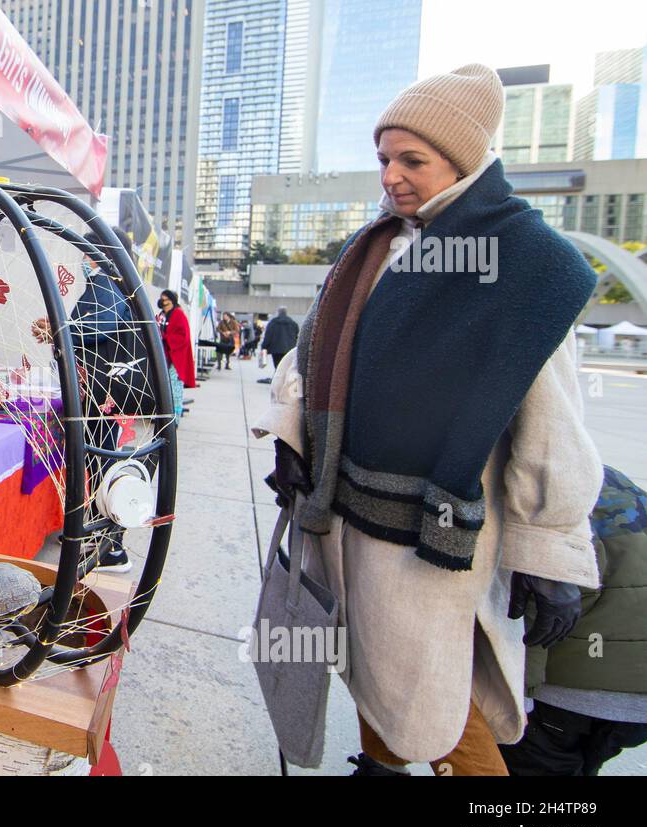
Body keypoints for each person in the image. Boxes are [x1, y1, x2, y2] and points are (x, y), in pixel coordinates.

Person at [252, 64, 602, 776]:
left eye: (413, 160)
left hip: (428, 544)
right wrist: (294, 436)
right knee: (372, 668)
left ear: (464, 160)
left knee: (434, 703)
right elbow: (314, 349)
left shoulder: (525, 263)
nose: (391, 176)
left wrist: (550, 545)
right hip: (348, 517)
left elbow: (551, 419)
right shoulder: (375, 246)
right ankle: (381, 765)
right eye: (385, 159)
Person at [499, 465, 647, 776]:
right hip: (636, 708)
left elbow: (540, 608)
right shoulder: (615, 481)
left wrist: (518, 703)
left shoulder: (545, 497)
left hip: (568, 699)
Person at [31, 227, 143, 573]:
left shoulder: (105, 285)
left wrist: (57, 328)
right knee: (96, 465)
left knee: (102, 465)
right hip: (103, 396)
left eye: (84, 250)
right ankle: (91, 532)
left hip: (101, 398)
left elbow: (96, 327)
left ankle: (112, 549)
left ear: (96, 253)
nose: (80, 258)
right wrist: (58, 328)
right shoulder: (115, 284)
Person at [157, 289, 196, 423]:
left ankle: (175, 419)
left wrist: (166, 337)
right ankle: (165, 417)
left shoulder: (178, 314)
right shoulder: (163, 314)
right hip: (165, 357)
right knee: (165, 389)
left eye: (165, 299)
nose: (162, 302)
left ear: (171, 300)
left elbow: (182, 336)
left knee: (174, 389)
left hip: (175, 359)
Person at [257, 305, 299, 384]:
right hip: (289, 349)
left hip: (275, 349)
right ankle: (284, 381)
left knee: (278, 366)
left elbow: (268, 336)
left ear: (278, 313)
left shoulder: (273, 323)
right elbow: (297, 336)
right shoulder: (293, 323)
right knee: (286, 366)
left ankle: (278, 381)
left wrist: (264, 347)